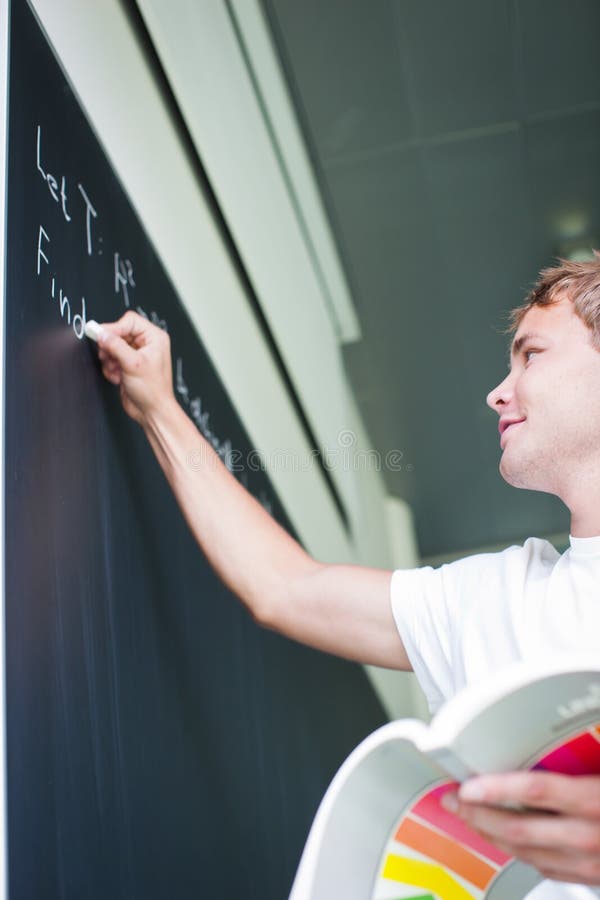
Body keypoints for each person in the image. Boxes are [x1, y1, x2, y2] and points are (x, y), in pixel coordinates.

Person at [93, 256, 600, 899]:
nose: (498, 392)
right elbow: (284, 589)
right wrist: (159, 410)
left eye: (531, 355)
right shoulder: (497, 596)